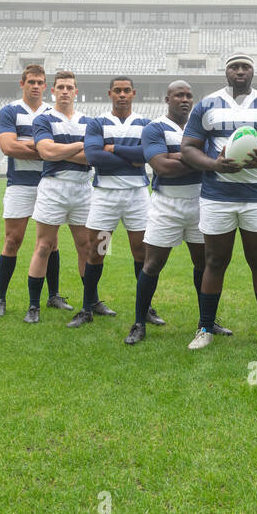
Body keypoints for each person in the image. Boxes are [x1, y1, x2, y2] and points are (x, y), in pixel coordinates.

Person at [179, 53, 257, 351]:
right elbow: (188, 148)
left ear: (252, 72)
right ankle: (205, 327)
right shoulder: (207, 104)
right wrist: (215, 165)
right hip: (218, 196)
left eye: (245, 67)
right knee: (215, 261)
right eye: (234, 67)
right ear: (226, 72)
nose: (240, 71)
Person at [124, 80, 232, 345]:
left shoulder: (201, 130)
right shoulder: (154, 128)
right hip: (166, 204)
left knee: (204, 264)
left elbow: (205, 161)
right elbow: (162, 167)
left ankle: (206, 321)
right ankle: (139, 322)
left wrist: (181, 158)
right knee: (152, 265)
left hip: (200, 201)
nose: (185, 100)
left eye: (189, 96)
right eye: (179, 95)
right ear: (167, 99)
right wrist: (203, 163)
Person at [0, 64, 70, 318]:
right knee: (12, 241)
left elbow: (57, 147)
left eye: (40, 82)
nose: (35, 86)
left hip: (51, 183)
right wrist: (44, 149)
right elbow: (7, 147)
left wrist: (27, 144)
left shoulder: (53, 112)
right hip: (20, 184)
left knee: (51, 243)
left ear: (46, 86)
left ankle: (53, 295)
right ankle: (0, 299)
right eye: (31, 82)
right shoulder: (10, 111)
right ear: (22, 83)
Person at [69, 76, 149, 328]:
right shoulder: (98, 123)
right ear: (110, 94)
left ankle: (145, 308)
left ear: (134, 93)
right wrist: (132, 159)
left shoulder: (145, 124)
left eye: (126, 90)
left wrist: (112, 149)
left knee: (142, 252)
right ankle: (88, 307)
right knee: (97, 252)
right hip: (106, 197)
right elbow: (93, 155)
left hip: (137, 196)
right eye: (117, 91)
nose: (122, 94)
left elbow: (146, 154)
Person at [22, 70, 94, 325]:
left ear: (76, 91)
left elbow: (91, 157)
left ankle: (90, 302)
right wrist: (79, 146)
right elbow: (45, 150)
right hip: (54, 187)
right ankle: (33, 305)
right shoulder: (44, 119)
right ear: (53, 91)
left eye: (69, 87)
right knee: (43, 246)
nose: (65, 91)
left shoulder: (89, 121)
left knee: (86, 248)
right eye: (60, 87)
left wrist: (58, 152)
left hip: (83, 188)